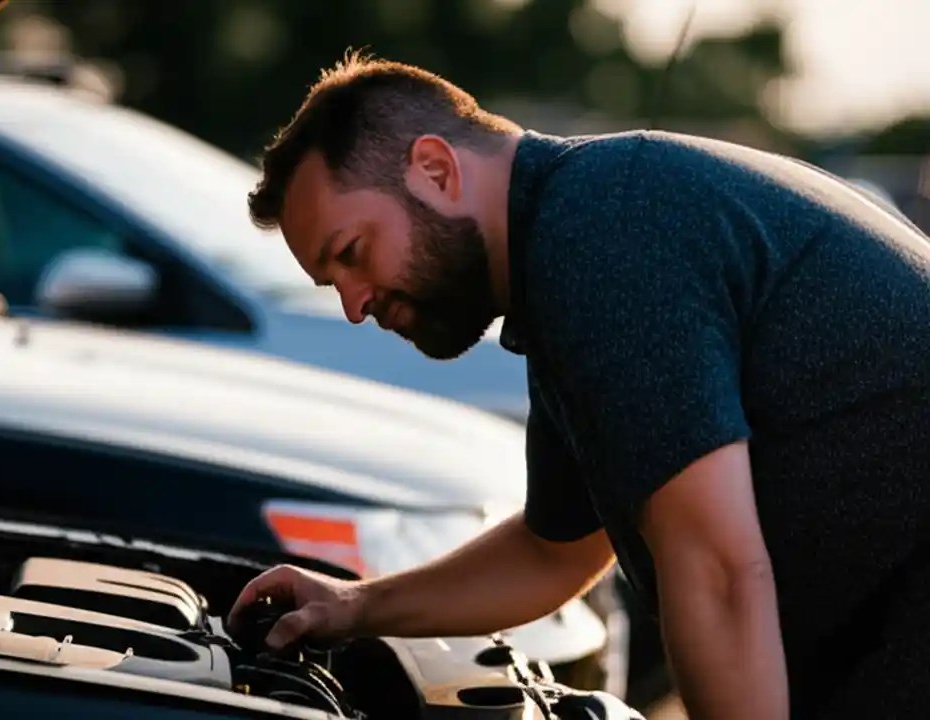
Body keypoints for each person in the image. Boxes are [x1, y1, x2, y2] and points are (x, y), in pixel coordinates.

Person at [228, 52, 930, 720]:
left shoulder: (604, 233)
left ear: (436, 170)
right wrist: (352, 607)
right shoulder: (579, 229)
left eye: (351, 254)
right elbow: (555, 552)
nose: (354, 305)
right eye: (332, 284)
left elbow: (714, 571)